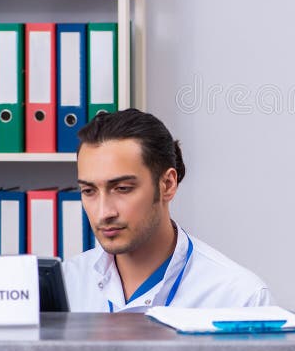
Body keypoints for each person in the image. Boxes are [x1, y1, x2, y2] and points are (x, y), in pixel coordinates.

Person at [63, 108, 273, 312]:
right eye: (89, 191)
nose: (103, 212)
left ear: (167, 185)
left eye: (122, 189)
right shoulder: (64, 286)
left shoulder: (240, 298)